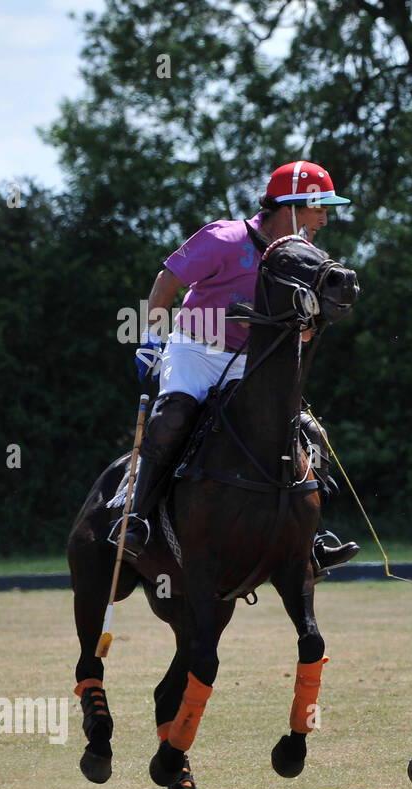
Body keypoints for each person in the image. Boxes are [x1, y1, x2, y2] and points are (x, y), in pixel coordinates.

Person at [119, 160, 359, 576]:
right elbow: (169, 279)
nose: (324, 218)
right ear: (291, 207)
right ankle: (136, 517)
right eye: (318, 207)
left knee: (307, 434)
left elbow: (302, 334)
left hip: (247, 361)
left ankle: (313, 536)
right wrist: (152, 336)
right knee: (172, 416)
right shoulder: (226, 238)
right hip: (194, 349)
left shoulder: (303, 260)